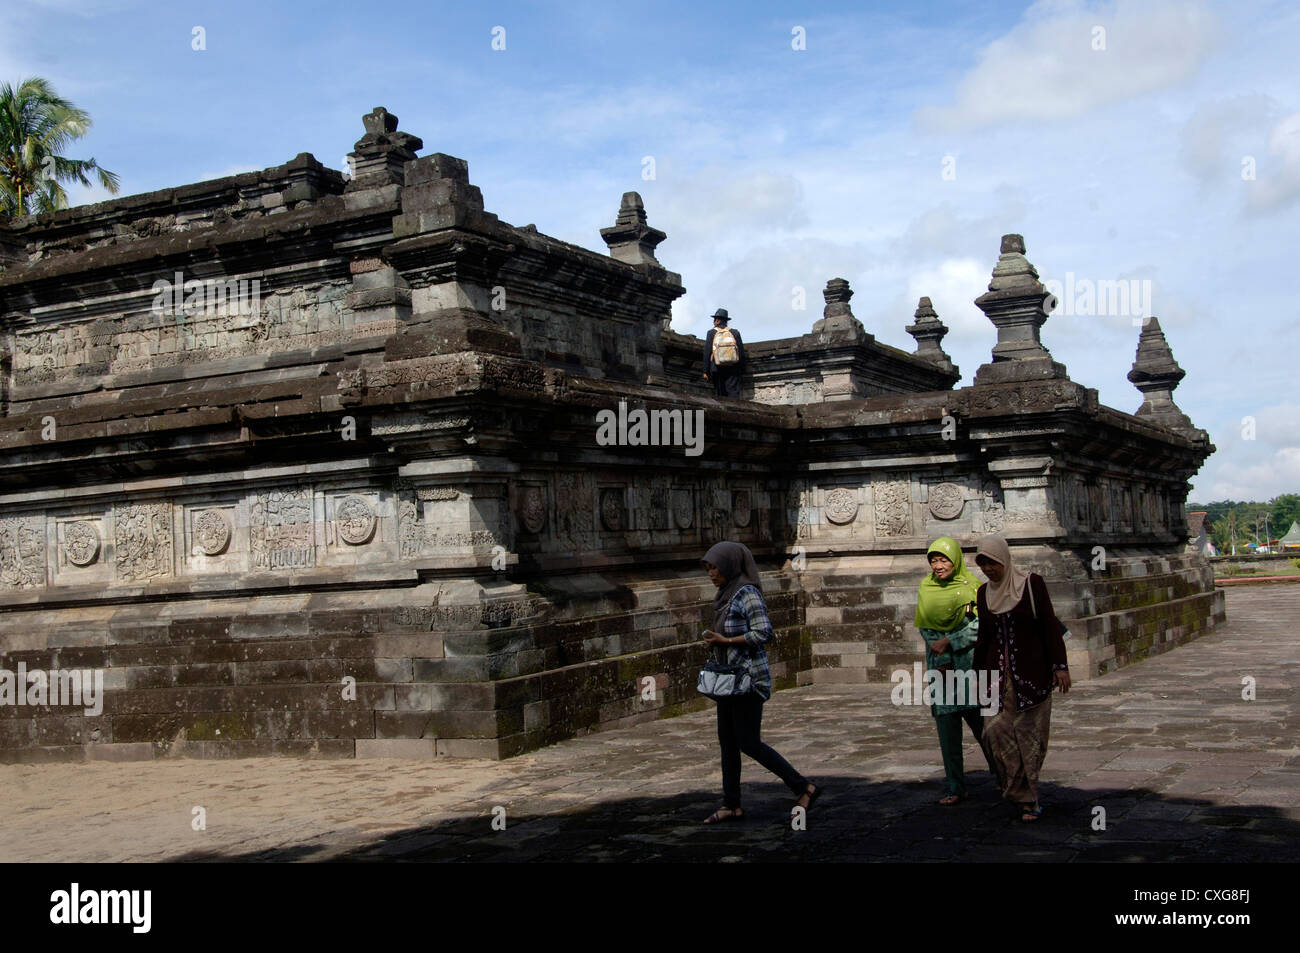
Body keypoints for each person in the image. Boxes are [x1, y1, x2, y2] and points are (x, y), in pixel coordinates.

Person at [699, 540, 820, 823]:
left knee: (748, 742)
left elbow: (764, 633)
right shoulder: (724, 595)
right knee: (727, 741)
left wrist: (726, 640)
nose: (711, 573)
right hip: (728, 680)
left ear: (729, 565)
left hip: (748, 680)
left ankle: (803, 786)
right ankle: (731, 804)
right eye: (708, 567)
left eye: (714, 566)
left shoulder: (747, 593)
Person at [971, 535, 1071, 822]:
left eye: (993, 563)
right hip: (996, 679)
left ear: (1004, 560)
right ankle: (1013, 785)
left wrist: (1059, 666)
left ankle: (1029, 798)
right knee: (994, 732)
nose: (989, 569)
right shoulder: (983, 593)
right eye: (983, 563)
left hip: (1031, 674)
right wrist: (978, 675)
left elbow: (1049, 626)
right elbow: (984, 638)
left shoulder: (1031, 584)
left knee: (1029, 736)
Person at [915, 537, 995, 805]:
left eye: (943, 559)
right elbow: (925, 625)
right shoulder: (926, 588)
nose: (938, 566)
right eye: (933, 560)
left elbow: (980, 626)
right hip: (941, 669)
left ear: (955, 560)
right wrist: (942, 653)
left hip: (968, 666)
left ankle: (1004, 775)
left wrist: (950, 641)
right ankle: (955, 785)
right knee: (947, 731)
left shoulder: (972, 588)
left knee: (984, 728)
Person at [702, 308, 746, 398]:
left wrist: (705, 371)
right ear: (726, 321)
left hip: (717, 367)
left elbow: (707, 352)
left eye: (714, 319)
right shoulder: (735, 332)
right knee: (733, 392)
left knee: (720, 393)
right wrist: (742, 369)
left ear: (717, 320)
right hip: (733, 367)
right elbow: (741, 353)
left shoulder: (711, 333)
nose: (713, 322)